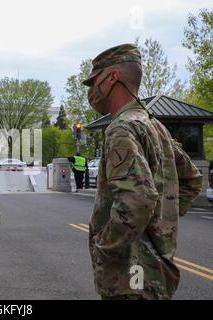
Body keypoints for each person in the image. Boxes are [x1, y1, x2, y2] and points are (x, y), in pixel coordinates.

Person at [82, 44, 202, 300]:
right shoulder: (155, 126)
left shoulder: (121, 129)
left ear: (112, 77)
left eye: (93, 82)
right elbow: (192, 179)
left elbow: (137, 200)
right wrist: (160, 226)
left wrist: (103, 246)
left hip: (131, 276)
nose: (91, 91)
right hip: (155, 272)